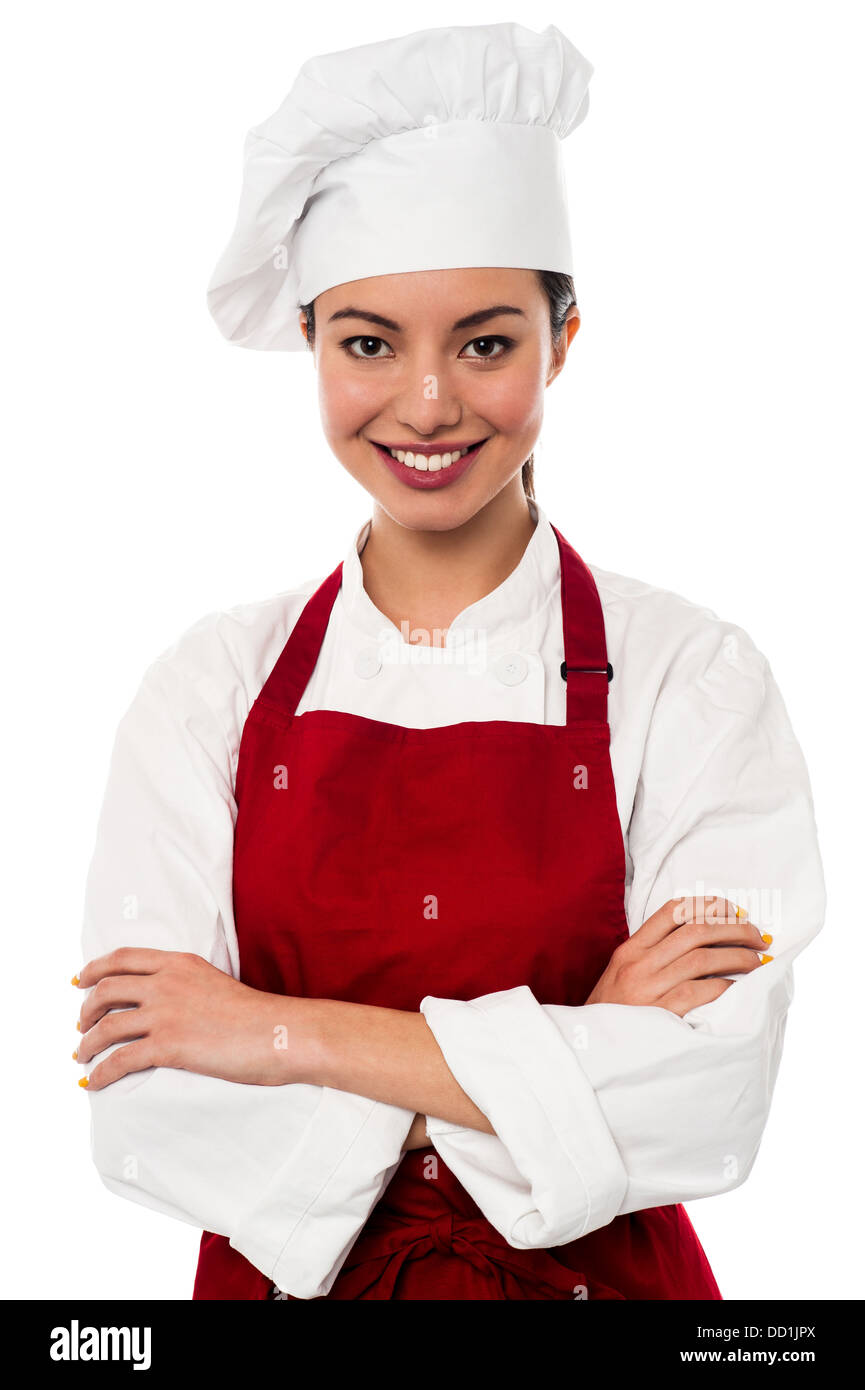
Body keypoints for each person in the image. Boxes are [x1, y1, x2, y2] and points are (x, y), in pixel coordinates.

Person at [75, 22, 826, 1301]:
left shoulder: (691, 677)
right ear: (311, 344)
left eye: (486, 342)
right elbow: (147, 1105)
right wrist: (578, 1048)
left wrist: (274, 1032)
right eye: (367, 343)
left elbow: (710, 1092)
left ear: (563, 340)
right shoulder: (207, 690)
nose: (426, 403)